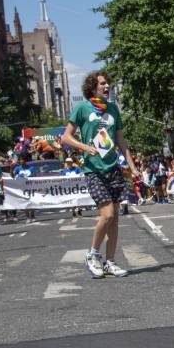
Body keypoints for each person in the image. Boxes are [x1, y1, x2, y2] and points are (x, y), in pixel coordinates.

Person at [61, 70, 140, 279]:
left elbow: (121, 141)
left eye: (108, 84)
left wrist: (131, 165)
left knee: (114, 220)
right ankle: (92, 254)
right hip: (93, 170)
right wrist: (84, 148)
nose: (107, 87)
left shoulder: (113, 109)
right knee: (107, 215)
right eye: (103, 83)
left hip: (113, 168)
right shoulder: (82, 108)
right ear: (93, 87)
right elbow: (66, 138)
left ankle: (110, 262)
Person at [13, 154, 37, 222]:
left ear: (25, 160)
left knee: (31, 202)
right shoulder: (17, 168)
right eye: (20, 160)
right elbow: (12, 176)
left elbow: (36, 178)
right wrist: (12, 168)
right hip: (22, 188)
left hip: (31, 188)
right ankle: (28, 217)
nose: (21, 161)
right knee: (24, 202)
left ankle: (32, 214)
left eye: (22, 160)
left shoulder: (32, 168)